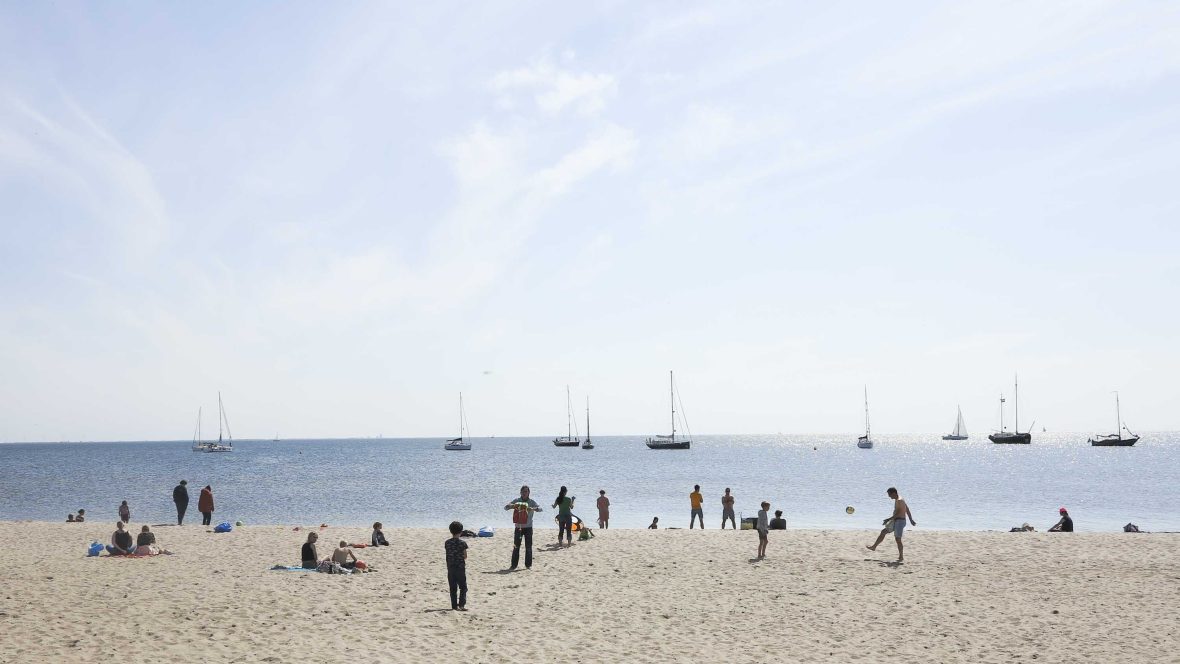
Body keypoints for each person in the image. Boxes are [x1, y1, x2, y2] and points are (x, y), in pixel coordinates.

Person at [867, 487, 917, 562]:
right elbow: (907, 509)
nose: (889, 496)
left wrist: (888, 519)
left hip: (900, 522)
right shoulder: (898, 499)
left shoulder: (900, 500)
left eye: (889, 494)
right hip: (895, 520)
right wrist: (911, 520)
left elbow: (899, 513)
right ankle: (874, 547)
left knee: (898, 539)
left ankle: (901, 557)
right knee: (883, 532)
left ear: (894, 493)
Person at [504, 485, 541, 570]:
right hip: (518, 528)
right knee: (516, 546)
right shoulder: (517, 501)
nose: (524, 493)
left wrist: (533, 508)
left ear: (529, 493)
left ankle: (528, 565)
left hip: (528, 528)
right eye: (523, 491)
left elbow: (540, 509)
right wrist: (511, 506)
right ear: (520, 492)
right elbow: (505, 508)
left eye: (526, 491)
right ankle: (513, 565)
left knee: (528, 547)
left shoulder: (531, 501)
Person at [445, 520, 468, 611]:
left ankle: (454, 606)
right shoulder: (462, 543)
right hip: (460, 568)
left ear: (450, 531)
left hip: (450, 568)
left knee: (453, 588)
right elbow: (465, 556)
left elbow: (448, 554)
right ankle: (461, 605)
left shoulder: (447, 542)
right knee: (463, 587)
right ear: (461, 532)